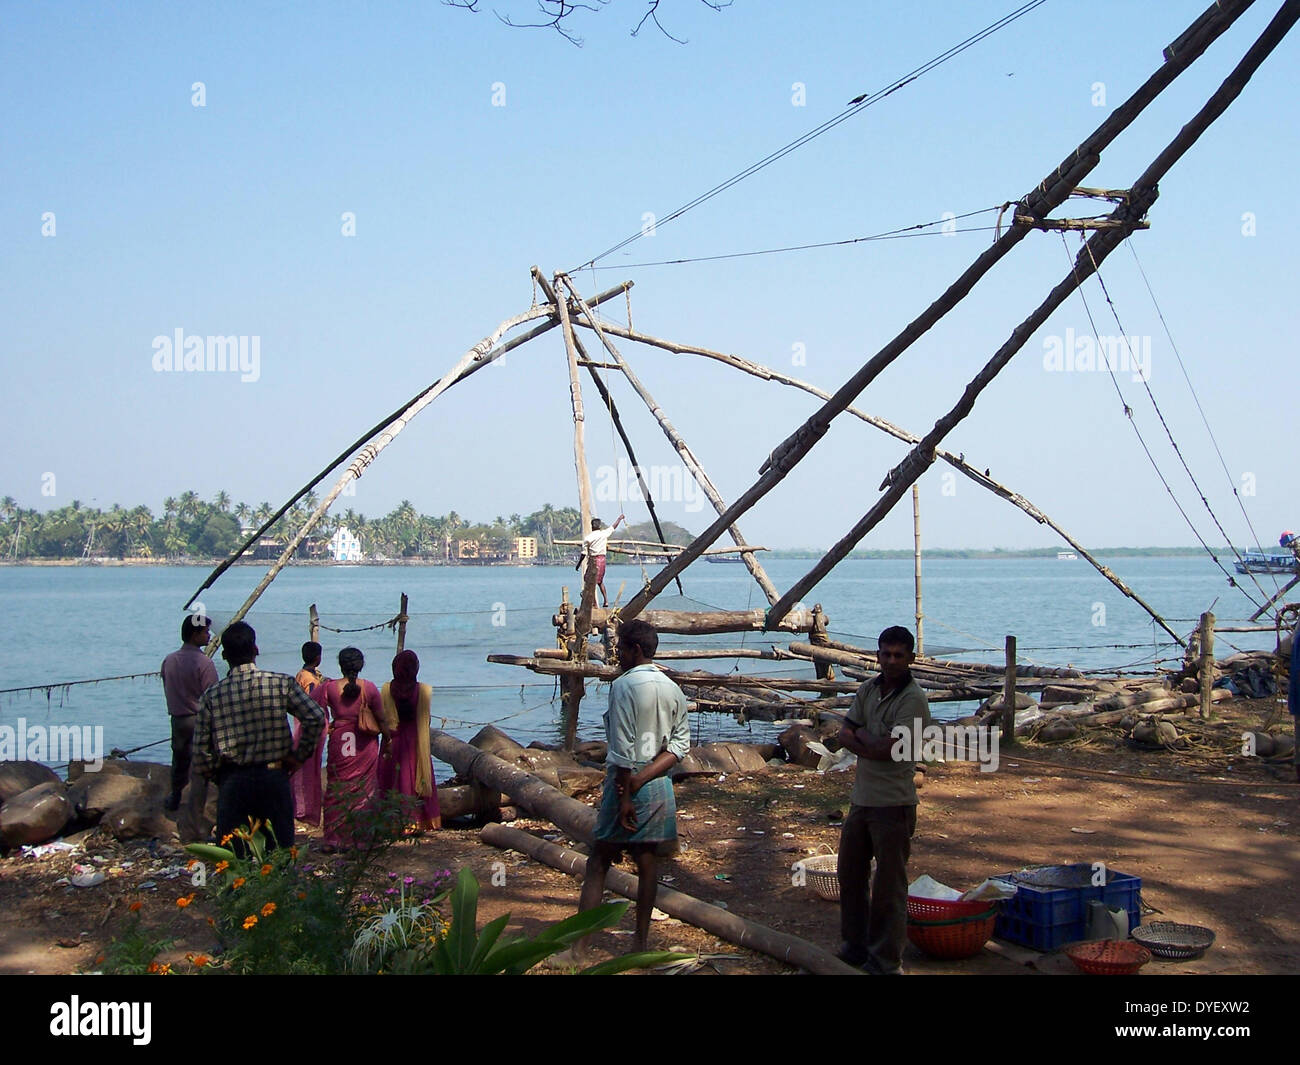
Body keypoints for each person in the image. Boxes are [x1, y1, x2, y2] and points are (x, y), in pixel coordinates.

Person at [576, 619, 689, 953]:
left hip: (625, 782)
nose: (617, 654)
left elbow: (623, 748)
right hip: (658, 781)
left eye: (621, 648)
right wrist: (646, 777)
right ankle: (640, 944)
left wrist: (628, 791)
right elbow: (679, 747)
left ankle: (580, 948)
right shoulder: (673, 688)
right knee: (646, 860)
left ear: (635, 650)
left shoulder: (624, 686)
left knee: (598, 861)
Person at [835, 624, 932, 975]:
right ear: (877, 656)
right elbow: (843, 733)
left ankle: (886, 961)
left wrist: (861, 739)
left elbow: (888, 750)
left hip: (893, 805)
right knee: (850, 876)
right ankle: (855, 947)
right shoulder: (868, 689)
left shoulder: (914, 701)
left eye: (898, 656)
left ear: (911, 659)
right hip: (861, 801)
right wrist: (865, 741)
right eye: (885, 654)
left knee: (889, 888)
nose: (890, 661)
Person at [192, 621, 326, 853]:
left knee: (235, 855)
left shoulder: (212, 696)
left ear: (224, 656)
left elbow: (201, 752)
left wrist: (218, 775)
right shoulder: (280, 683)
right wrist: (297, 757)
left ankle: (239, 889)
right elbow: (315, 717)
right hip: (273, 777)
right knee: (280, 851)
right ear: (255, 650)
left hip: (233, 780)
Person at [315, 646, 385, 850]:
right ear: (360, 665)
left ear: (340, 665)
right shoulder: (369, 688)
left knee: (337, 788)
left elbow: (311, 709)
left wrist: (327, 727)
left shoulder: (328, 688)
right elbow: (381, 717)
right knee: (365, 788)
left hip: (339, 741)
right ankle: (361, 838)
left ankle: (333, 838)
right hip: (364, 743)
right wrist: (388, 738)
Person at [160, 614, 218, 814]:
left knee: (179, 759)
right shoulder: (204, 663)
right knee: (201, 764)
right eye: (205, 632)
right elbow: (212, 696)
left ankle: (176, 796)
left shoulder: (169, 660)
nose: (209, 635)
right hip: (198, 719)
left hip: (177, 718)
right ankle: (196, 807)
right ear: (195, 635)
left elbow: (166, 684)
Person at [378, 649, 441, 831]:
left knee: (392, 779)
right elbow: (426, 719)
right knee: (415, 778)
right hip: (415, 741)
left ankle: (391, 823)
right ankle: (420, 821)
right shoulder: (423, 691)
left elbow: (383, 718)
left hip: (392, 741)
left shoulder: (386, 689)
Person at [290, 641, 328, 826]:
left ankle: (301, 804)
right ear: (317, 658)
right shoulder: (311, 680)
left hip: (300, 723)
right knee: (308, 766)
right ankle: (304, 807)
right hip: (310, 726)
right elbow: (313, 702)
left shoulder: (301, 674)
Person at [576, 514, 625, 607]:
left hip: (594, 560)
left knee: (591, 581)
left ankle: (594, 603)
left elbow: (583, 553)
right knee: (599, 581)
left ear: (592, 526)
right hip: (602, 560)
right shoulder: (604, 534)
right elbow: (613, 527)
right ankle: (605, 600)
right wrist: (619, 518)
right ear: (599, 526)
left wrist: (578, 564)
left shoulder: (588, 538)